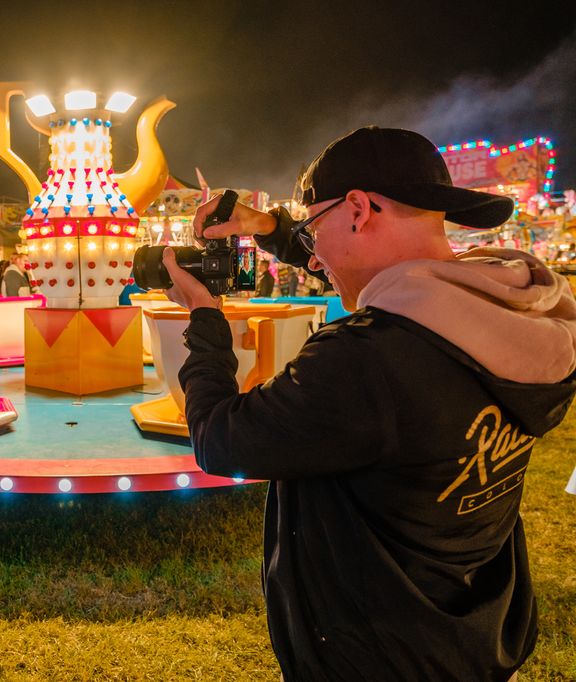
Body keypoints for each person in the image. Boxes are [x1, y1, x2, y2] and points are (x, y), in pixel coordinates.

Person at [162, 126, 576, 680]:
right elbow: (372, 269)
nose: (312, 260)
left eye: (313, 231)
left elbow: (221, 439)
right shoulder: (511, 315)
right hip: (472, 633)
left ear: (358, 209)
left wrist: (204, 319)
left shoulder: (367, 361)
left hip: (374, 652)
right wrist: (267, 227)